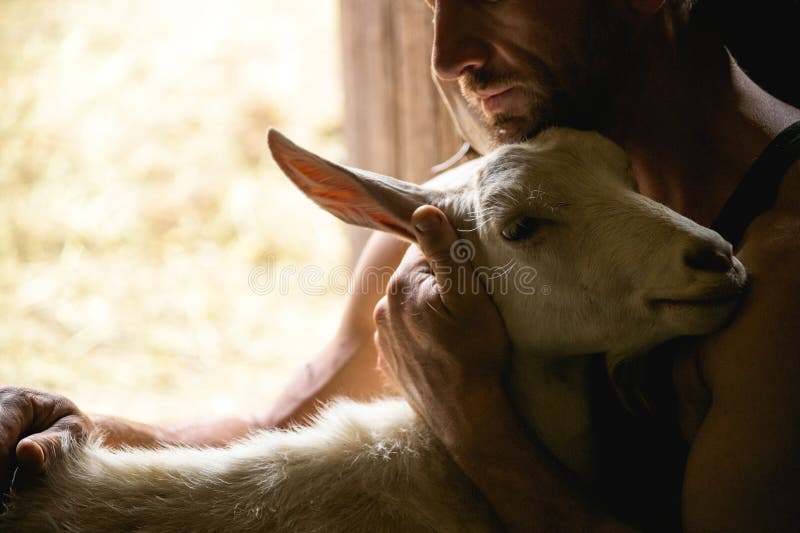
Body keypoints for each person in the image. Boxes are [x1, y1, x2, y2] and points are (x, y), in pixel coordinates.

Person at [2, 0, 799, 530]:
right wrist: (73, 428)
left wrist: (476, 420)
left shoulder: (784, 263)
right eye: (429, 3)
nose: (449, 54)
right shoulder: (458, 209)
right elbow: (279, 425)